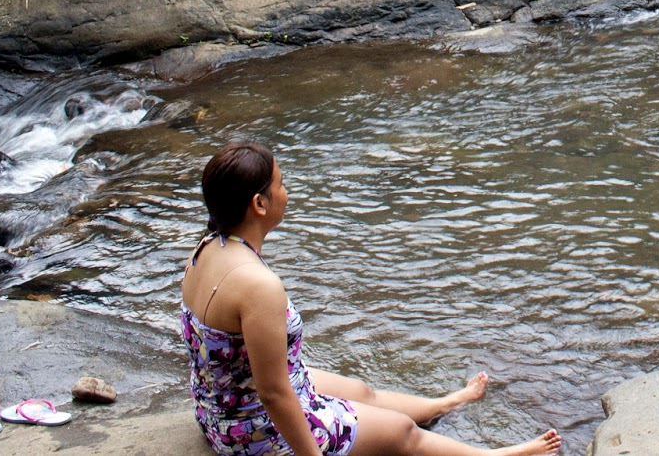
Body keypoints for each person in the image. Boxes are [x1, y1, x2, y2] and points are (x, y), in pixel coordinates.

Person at [180, 141, 563, 456]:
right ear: (259, 204)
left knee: (362, 391)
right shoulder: (259, 285)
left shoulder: (206, 248)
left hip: (219, 407)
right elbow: (274, 394)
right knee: (401, 431)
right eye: (281, 184)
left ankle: (443, 404)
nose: (286, 192)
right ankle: (495, 455)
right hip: (254, 432)